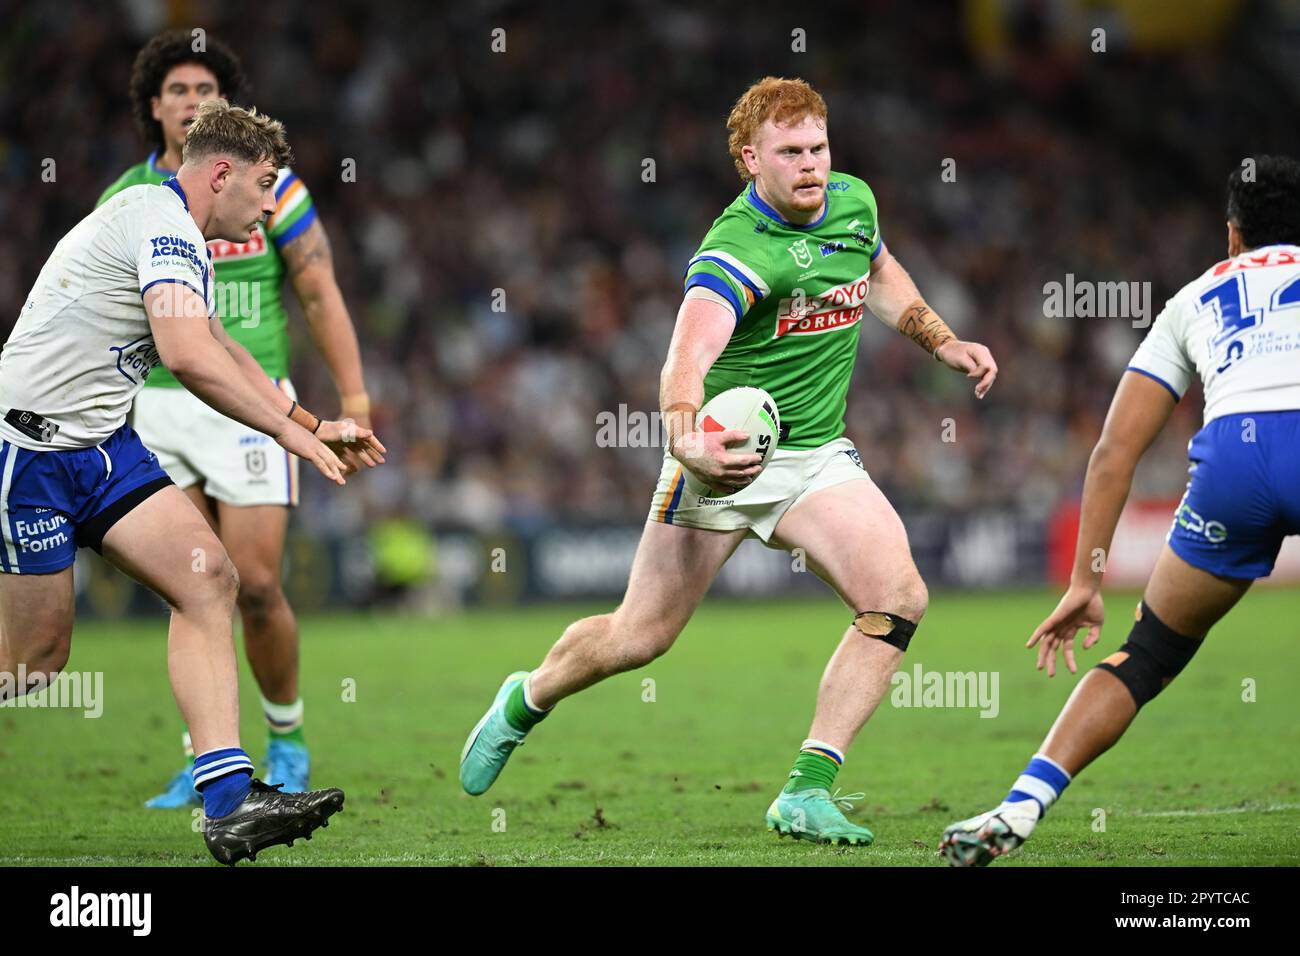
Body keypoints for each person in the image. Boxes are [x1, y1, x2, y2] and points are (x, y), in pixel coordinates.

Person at [459, 77, 997, 845]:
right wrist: (687, 440)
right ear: (750, 159)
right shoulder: (734, 250)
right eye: (791, 152)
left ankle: (806, 790)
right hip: (723, 457)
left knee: (899, 597)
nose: (811, 165)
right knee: (640, 637)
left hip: (815, 456)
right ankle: (528, 697)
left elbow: (878, 274)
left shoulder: (853, 203)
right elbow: (686, 358)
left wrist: (941, 340)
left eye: (818, 148)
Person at [0, 99, 385, 864]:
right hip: (30, 451)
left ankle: (229, 804)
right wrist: (286, 435)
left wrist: (311, 424)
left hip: (102, 447)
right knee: (35, 661)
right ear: (221, 174)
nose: (270, 205)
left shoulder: (181, 236)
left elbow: (221, 345)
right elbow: (186, 356)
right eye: (265, 185)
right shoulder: (158, 220)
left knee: (209, 578)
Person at [941, 155, 1300, 866]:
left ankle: (1020, 804)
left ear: (1232, 234)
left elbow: (1113, 452)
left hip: (1232, 468)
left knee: (1146, 656)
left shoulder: (1194, 298)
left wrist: (1086, 579)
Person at [95, 31, 372, 805]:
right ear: (153, 107)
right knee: (191, 583)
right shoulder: (130, 196)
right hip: (159, 402)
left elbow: (317, 289)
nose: (192, 101)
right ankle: (208, 756)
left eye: (206, 91)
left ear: (225, 108)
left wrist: (351, 400)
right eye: (178, 91)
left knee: (255, 582)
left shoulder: (270, 189)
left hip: (253, 400)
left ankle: (286, 739)